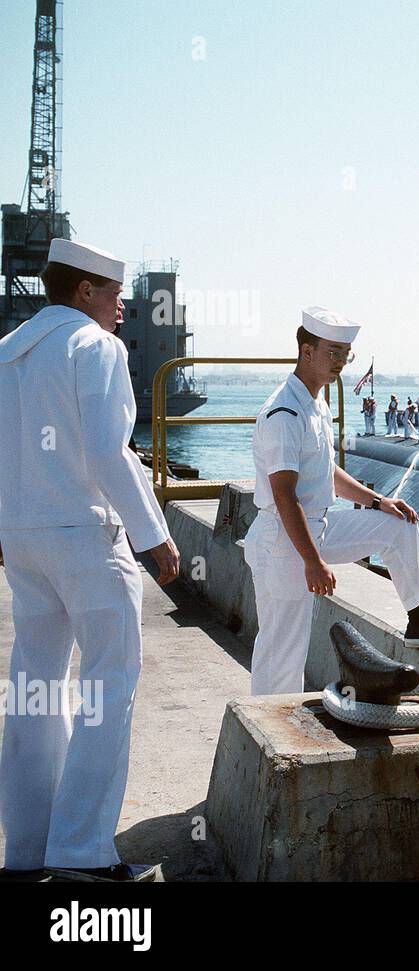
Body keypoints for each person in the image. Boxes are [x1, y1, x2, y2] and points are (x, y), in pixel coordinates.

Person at [0, 238, 181, 882]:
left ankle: (25, 850)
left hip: (23, 539)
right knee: (108, 687)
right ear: (85, 293)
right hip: (84, 535)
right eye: (115, 297)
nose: (122, 311)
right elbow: (109, 451)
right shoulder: (94, 346)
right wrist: (152, 534)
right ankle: (81, 851)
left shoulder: (9, 352)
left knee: (34, 689)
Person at [244, 307, 419, 698]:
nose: (340, 362)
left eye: (346, 354)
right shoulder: (284, 412)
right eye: (332, 352)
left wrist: (378, 501)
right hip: (283, 539)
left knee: (398, 525)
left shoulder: (315, 404)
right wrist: (312, 561)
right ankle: (268, 726)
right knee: (283, 648)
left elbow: (326, 471)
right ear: (306, 351)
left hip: (316, 526)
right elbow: (284, 495)